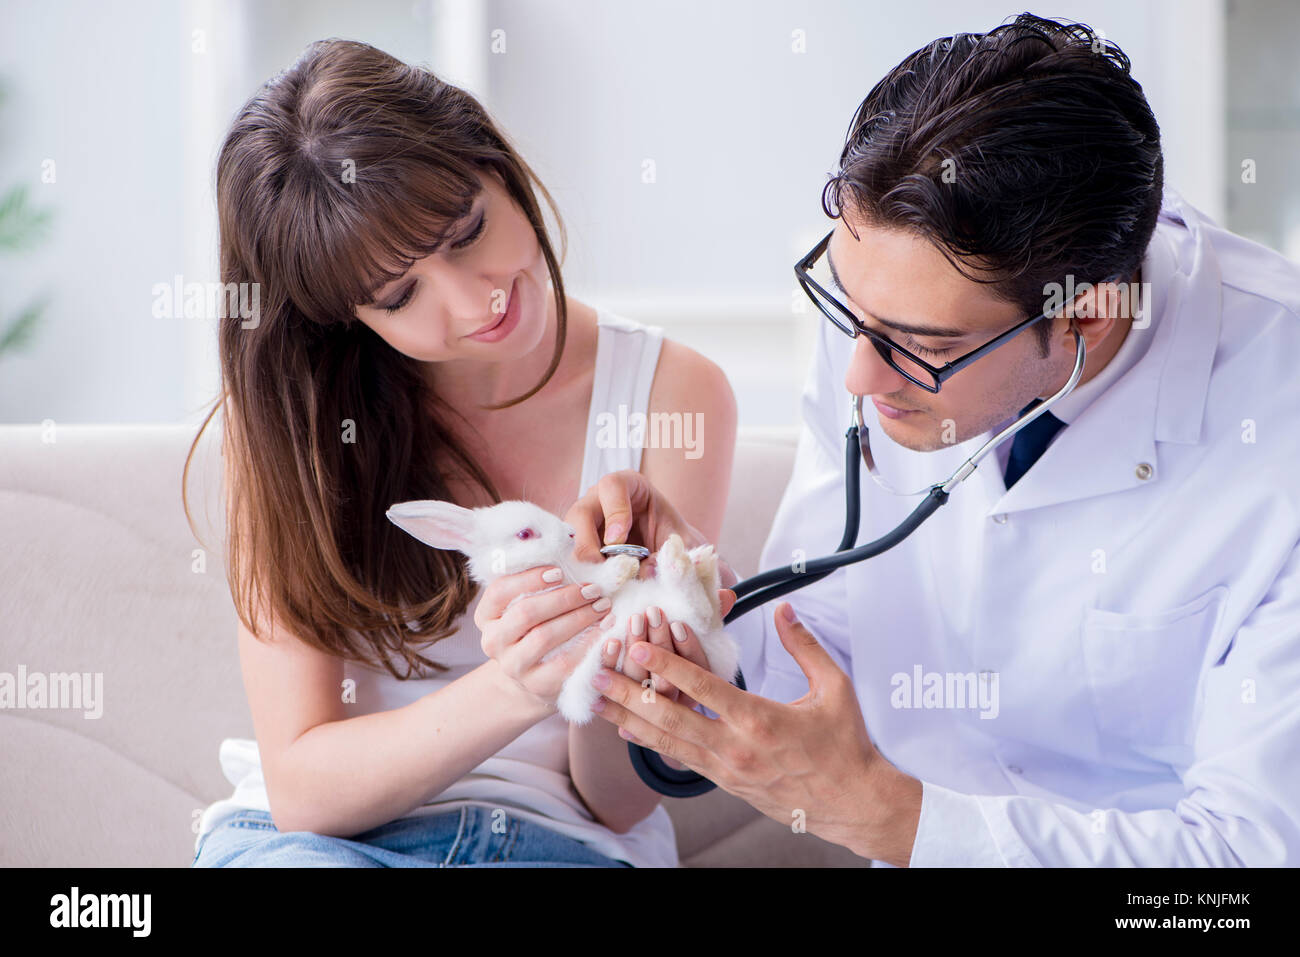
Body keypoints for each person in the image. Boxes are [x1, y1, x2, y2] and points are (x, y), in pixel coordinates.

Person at [481, 13, 1300, 866]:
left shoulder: (1276, 426)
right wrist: (689, 601)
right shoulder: (894, 310)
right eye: (848, 311)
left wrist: (896, 820)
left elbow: (1240, 875)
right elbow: (816, 642)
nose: (858, 380)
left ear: (1086, 314)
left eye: (923, 348)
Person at [184, 38, 736, 868]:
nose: (476, 299)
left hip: (565, 843)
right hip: (314, 845)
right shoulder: (296, 425)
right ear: (347, 319)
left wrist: (652, 643)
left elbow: (616, 802)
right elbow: (302, 786)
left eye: (466, 230)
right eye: (399, 294)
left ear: (496, 166)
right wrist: (514, 685)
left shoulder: (673, 393)